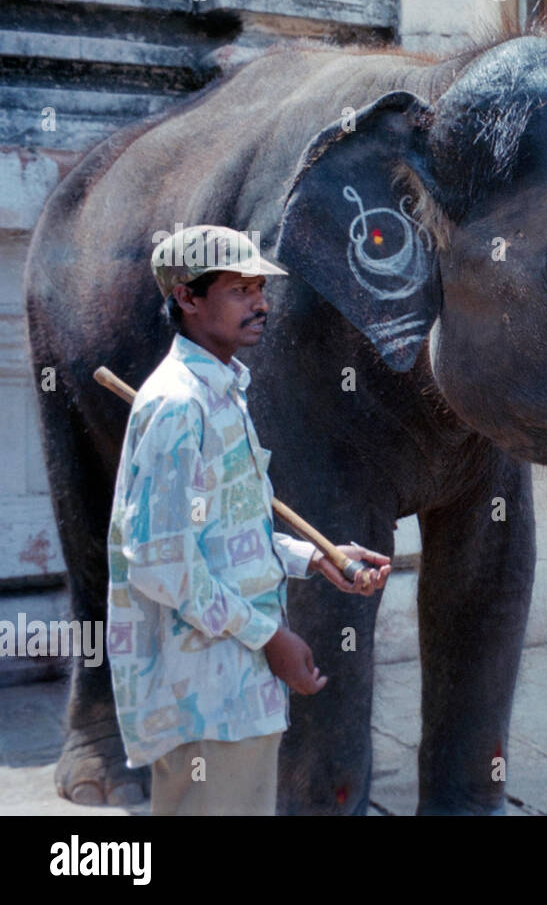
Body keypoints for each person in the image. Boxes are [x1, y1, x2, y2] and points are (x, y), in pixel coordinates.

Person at [108, 225, 391, 815]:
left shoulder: (222, 393)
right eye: (240, 289)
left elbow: (225, 533)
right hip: (204, 698)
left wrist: (314, 558)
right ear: (187, 297)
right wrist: (272, 638)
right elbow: (163, 565)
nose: (261, 304)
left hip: (235, 691)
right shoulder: (180, 406)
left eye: (260, 289)